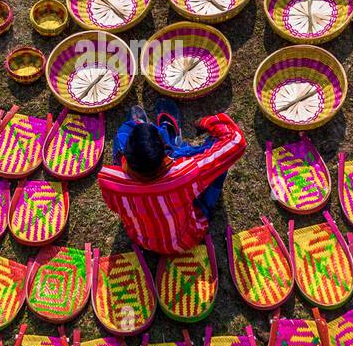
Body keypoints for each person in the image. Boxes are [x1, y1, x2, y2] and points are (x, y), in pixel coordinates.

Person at [97, 97, 246, 255]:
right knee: (215, 157)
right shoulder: (186, 174)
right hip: (187, 238)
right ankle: (168, 135)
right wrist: (204, 122)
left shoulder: (108, 181)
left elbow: (117, 207)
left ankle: (144, 127)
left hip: (143, 241)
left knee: (122, 135)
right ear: (162, 155)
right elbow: (236, 141)